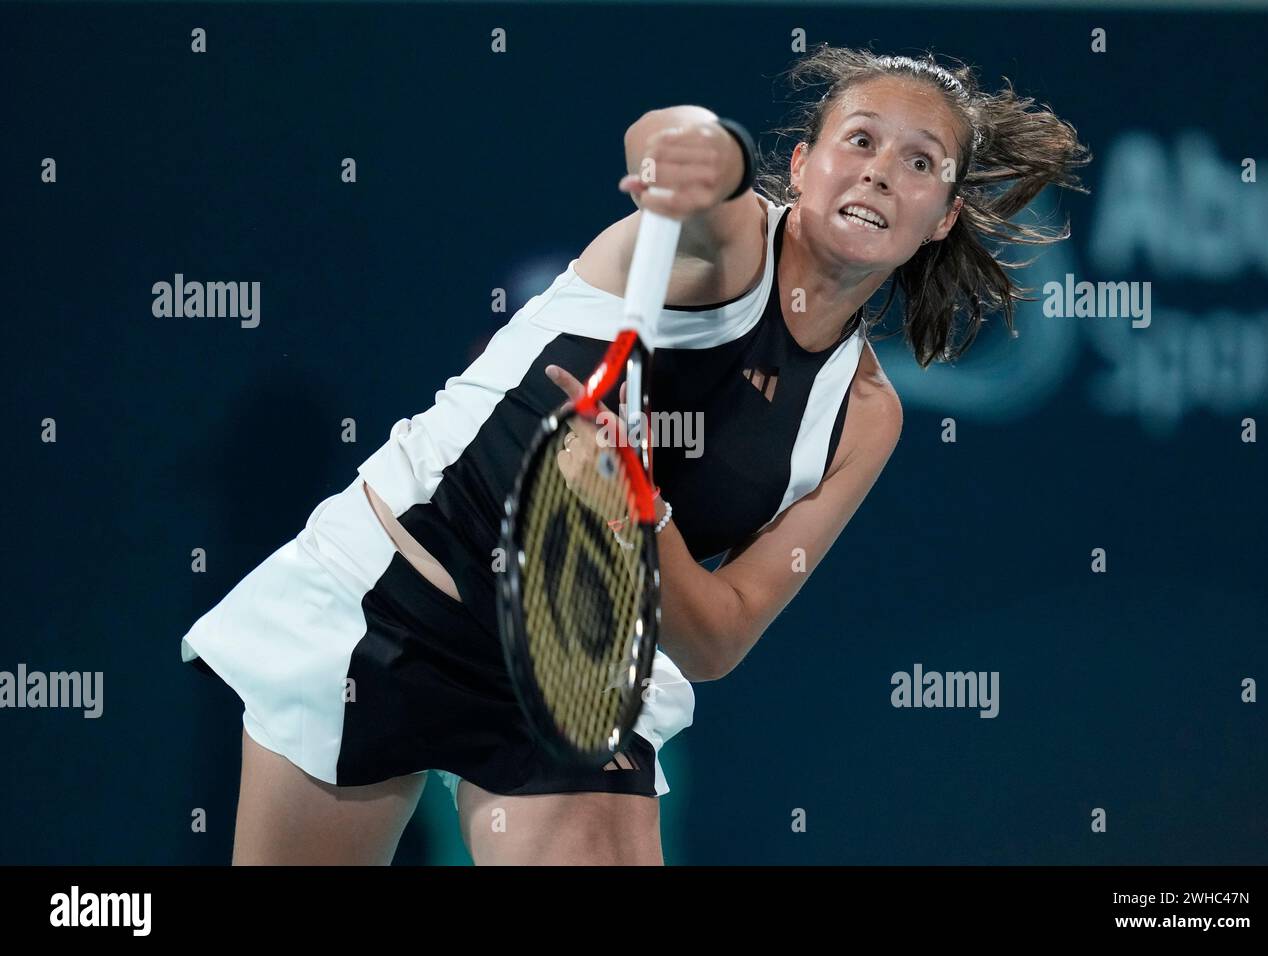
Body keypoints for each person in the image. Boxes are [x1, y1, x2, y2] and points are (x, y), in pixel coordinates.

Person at [180, 45, 1090, 865]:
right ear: (803, 167)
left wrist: (635, 513)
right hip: (389, 608)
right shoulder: (726, 248)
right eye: (859, 141)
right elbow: (685, 153)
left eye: (919, 163)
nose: (883, 173)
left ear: (942, 217)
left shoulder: (864, 415)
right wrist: (692, 148)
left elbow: (719, 633)